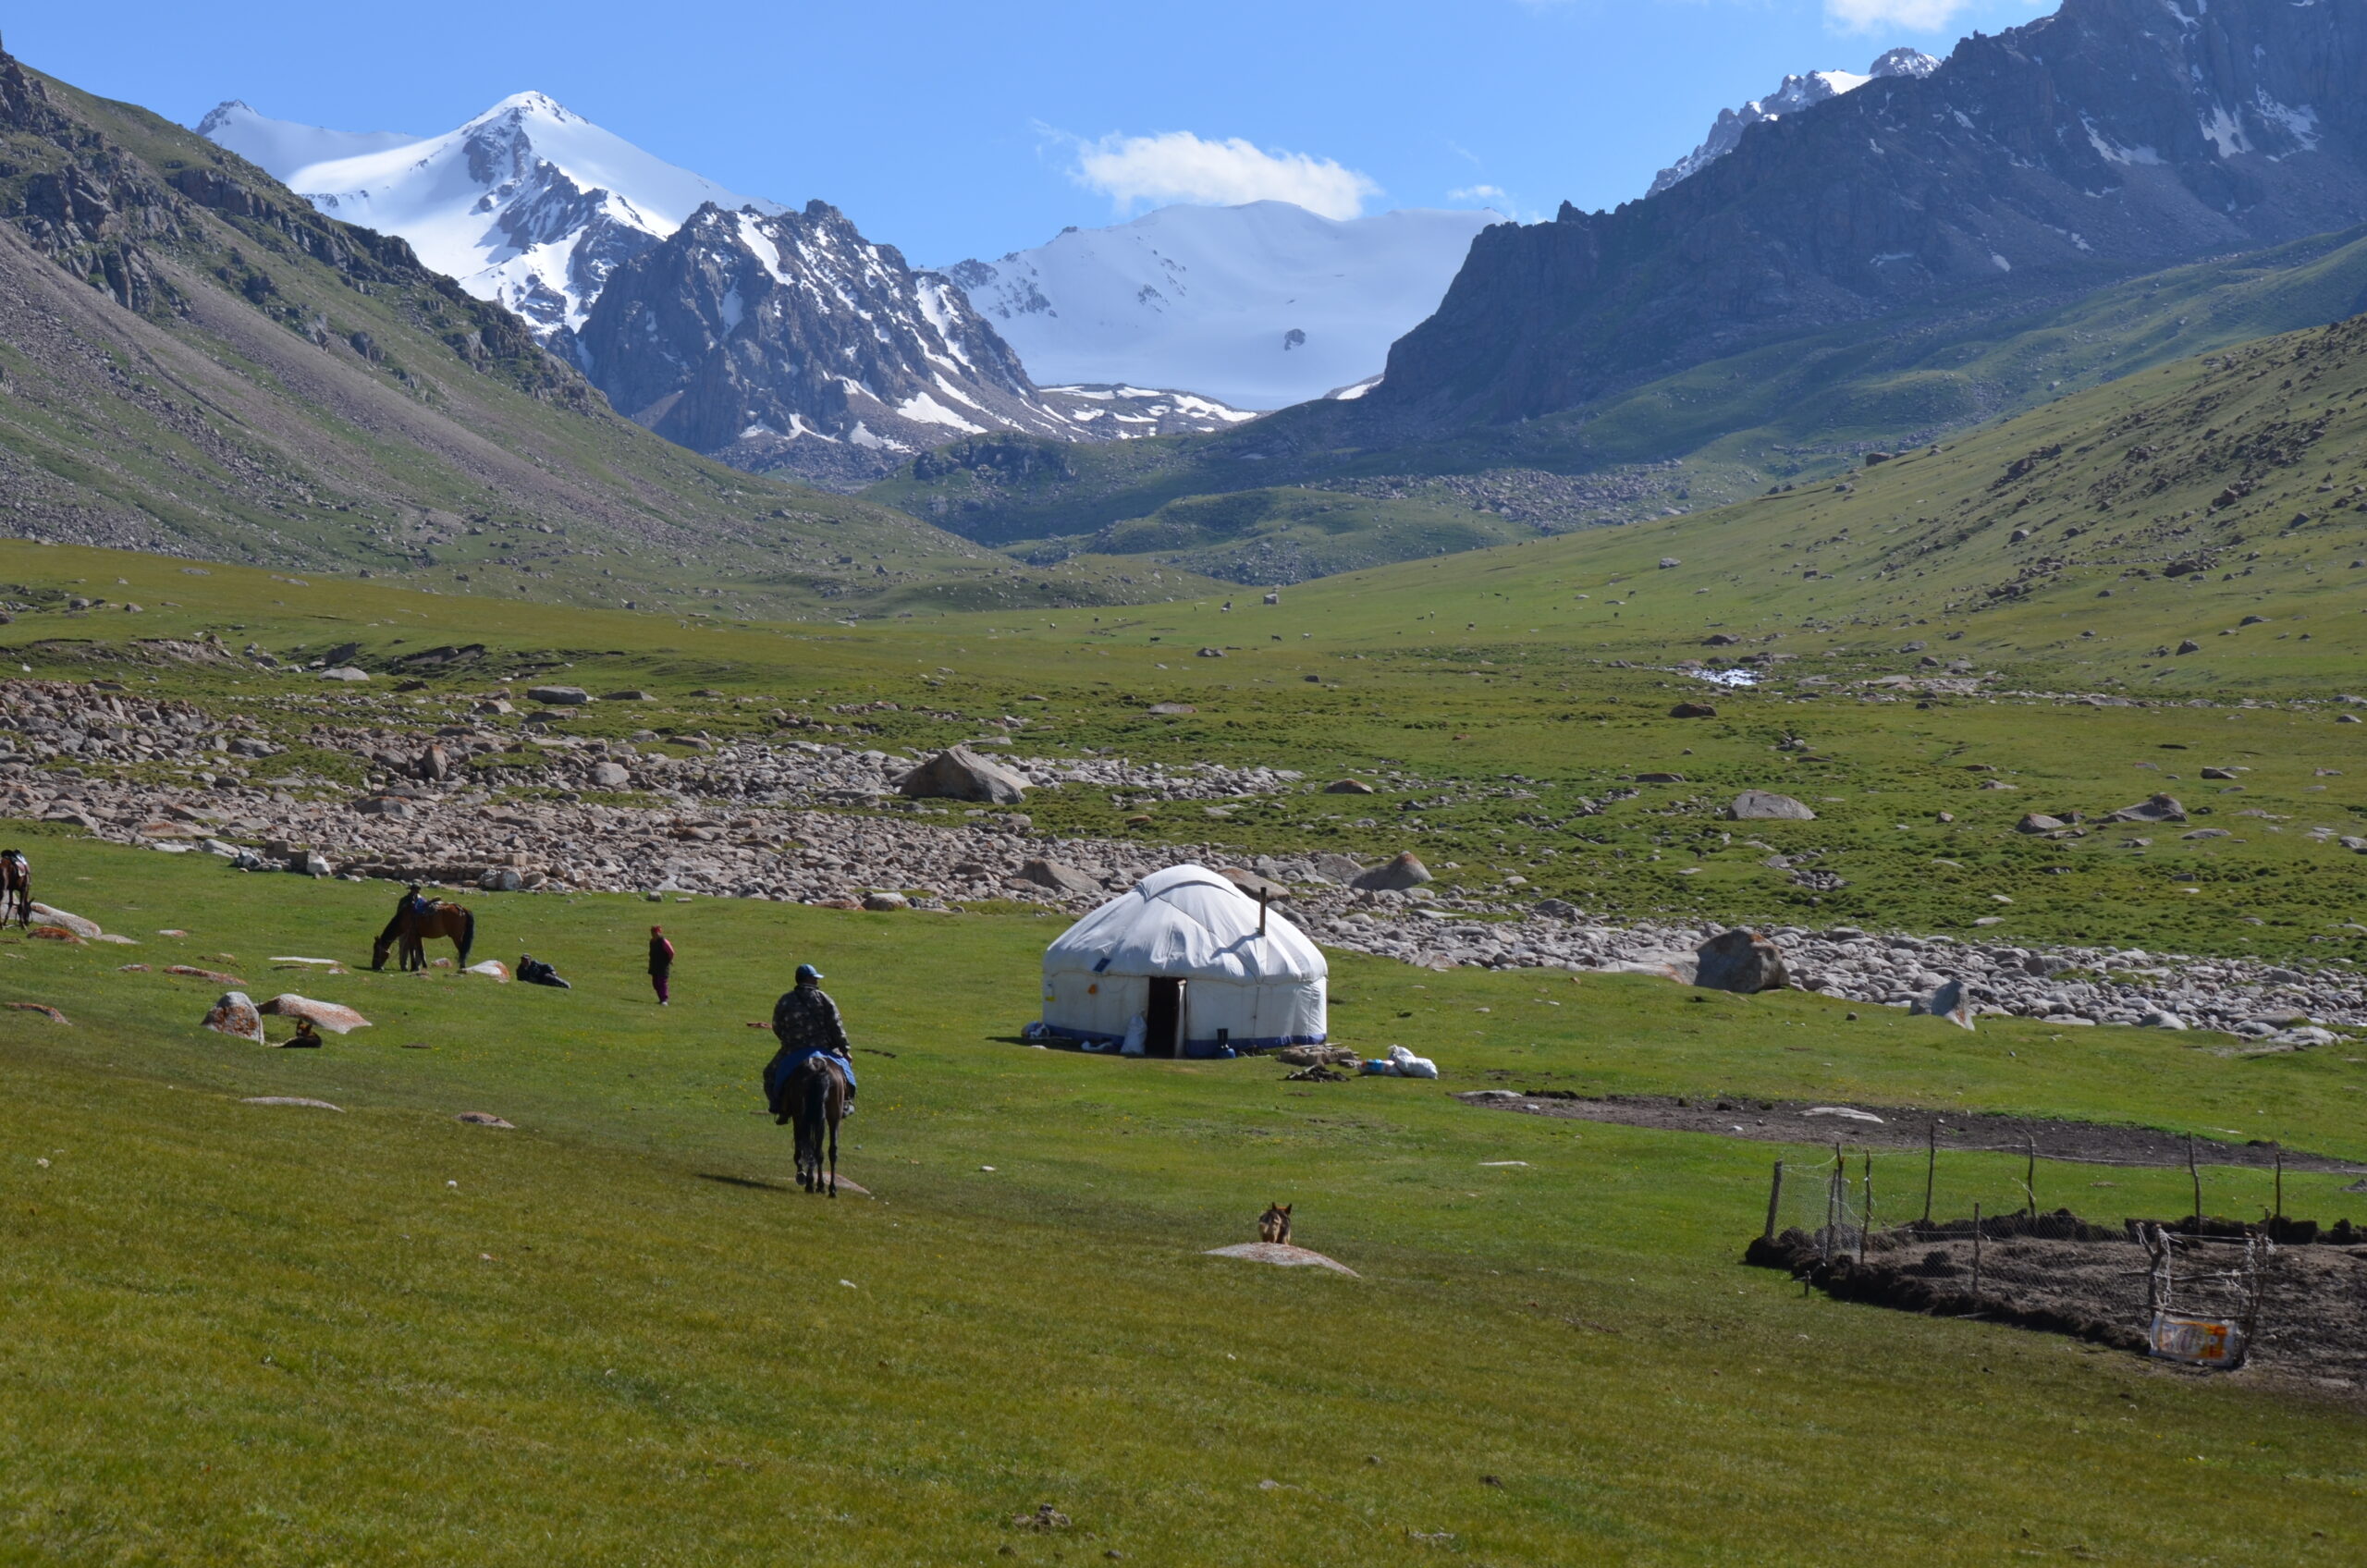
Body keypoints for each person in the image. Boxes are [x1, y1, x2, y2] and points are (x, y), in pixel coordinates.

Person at [766, 962, 855, 1121]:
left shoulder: (785, 1000)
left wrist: (788, 1042)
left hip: (793, 1050)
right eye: (815, 978)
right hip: (824, 1049)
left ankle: (778, 1106)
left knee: (770, 1073)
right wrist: (845, 1050)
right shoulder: (824, 999)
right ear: (808, 979)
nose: (817, 981)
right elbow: (836, 1026)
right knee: (846, 1072)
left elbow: (777, 1026)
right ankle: (847, 1102)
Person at [647, 925, 675, 1006]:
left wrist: (669, 960)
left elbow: (671, 952)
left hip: (663, 964)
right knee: (655, 982)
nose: (654, 934)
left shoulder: (664, 941)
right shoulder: (652, 941)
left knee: (662, 981)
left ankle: (664, 1000)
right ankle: (660, 999)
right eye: (653, 932)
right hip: (654, 964)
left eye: (656, 932)